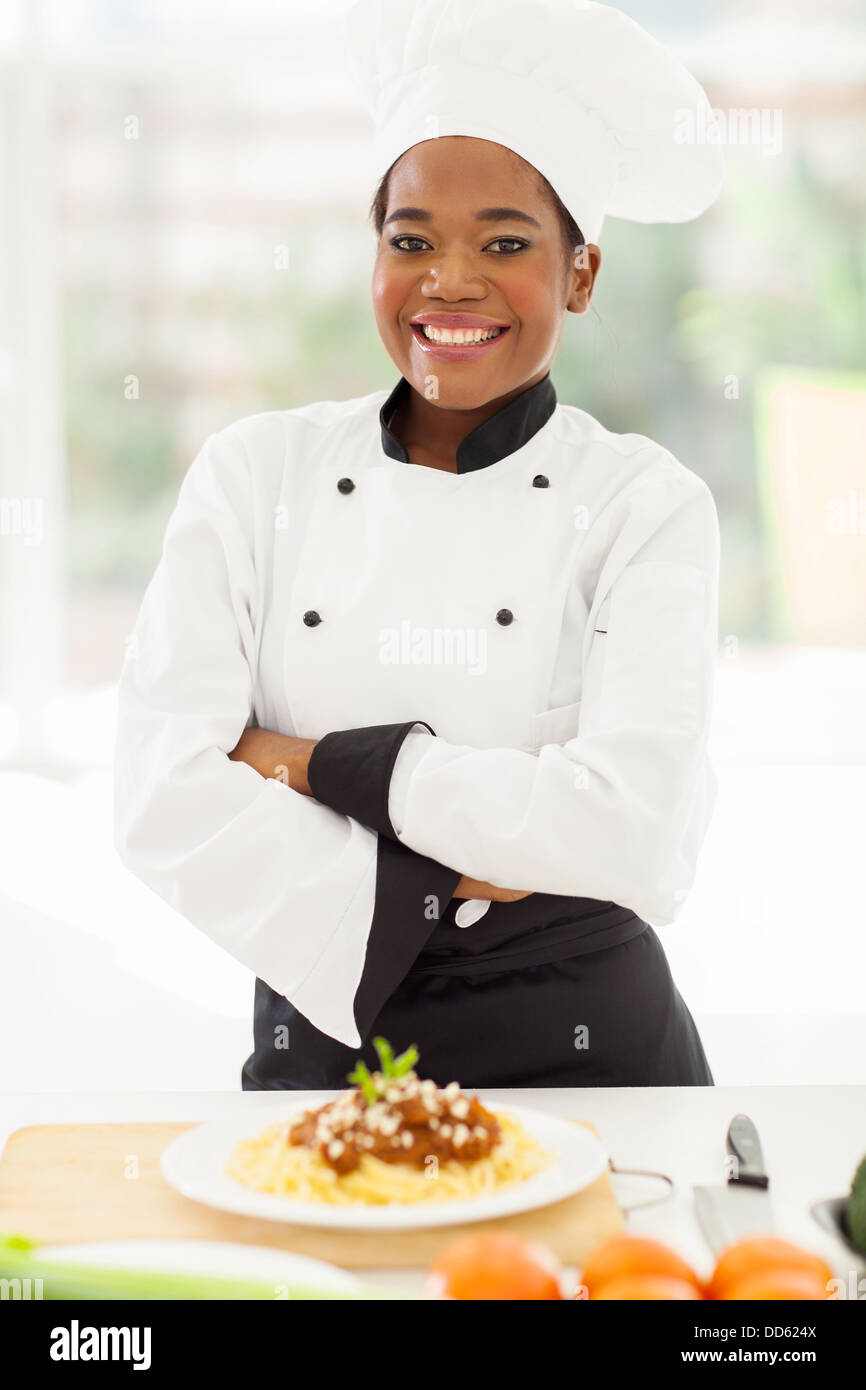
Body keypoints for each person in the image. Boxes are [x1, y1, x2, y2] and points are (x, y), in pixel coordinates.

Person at [113, 0, 725, 1090]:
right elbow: (160, 794)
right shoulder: (255, 476)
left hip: (596, 1058)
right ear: (373, 256)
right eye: (410, 241)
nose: (448, 280)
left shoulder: (642, 504)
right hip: (327, 1042)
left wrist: (318, 765)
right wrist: (478, 853)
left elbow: (636, 832)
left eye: (503, 241)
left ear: (579, 274)